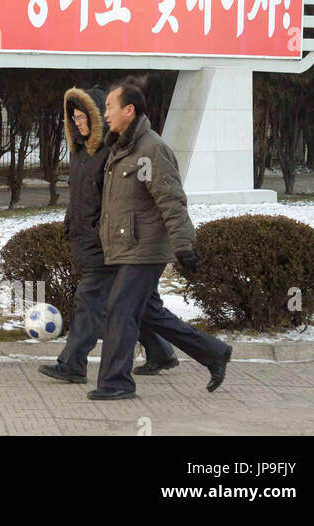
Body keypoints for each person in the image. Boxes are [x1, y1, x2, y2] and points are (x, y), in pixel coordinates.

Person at [88, 77, 233, 400]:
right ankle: (213, 353)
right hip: (126, 247)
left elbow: (171, 200)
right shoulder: (122, 147)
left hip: (145, 249)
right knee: (149, 312)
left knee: (121, 312)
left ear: (130, 109)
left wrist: (184, 245)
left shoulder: (152, 149)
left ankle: (116, 383)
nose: (105, 113)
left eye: (110, 107)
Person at [38, 86, 178, 384]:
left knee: (88, 303)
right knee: (138, 307)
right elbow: (80, 195)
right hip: (86, 239)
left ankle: (72, 364)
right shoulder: (79, 150)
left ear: (97, 115)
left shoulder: (111, 151)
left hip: (106, 242)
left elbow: (118, 200)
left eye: (83, 116)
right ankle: (162, 353)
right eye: (73, 117)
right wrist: (69, 224)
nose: (78, 122)